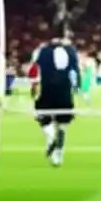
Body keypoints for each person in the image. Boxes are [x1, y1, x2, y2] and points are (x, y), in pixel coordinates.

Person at [32, 37, 80, 167]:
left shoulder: (43, 51)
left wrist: (34, 85)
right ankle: (58, 155)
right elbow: (75, 70)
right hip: (64, 91)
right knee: (63, 124)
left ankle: (51, 137)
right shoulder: (71, 51)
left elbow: (37, 68)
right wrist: (76, 87)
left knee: (42, 117)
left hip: (48, 89)